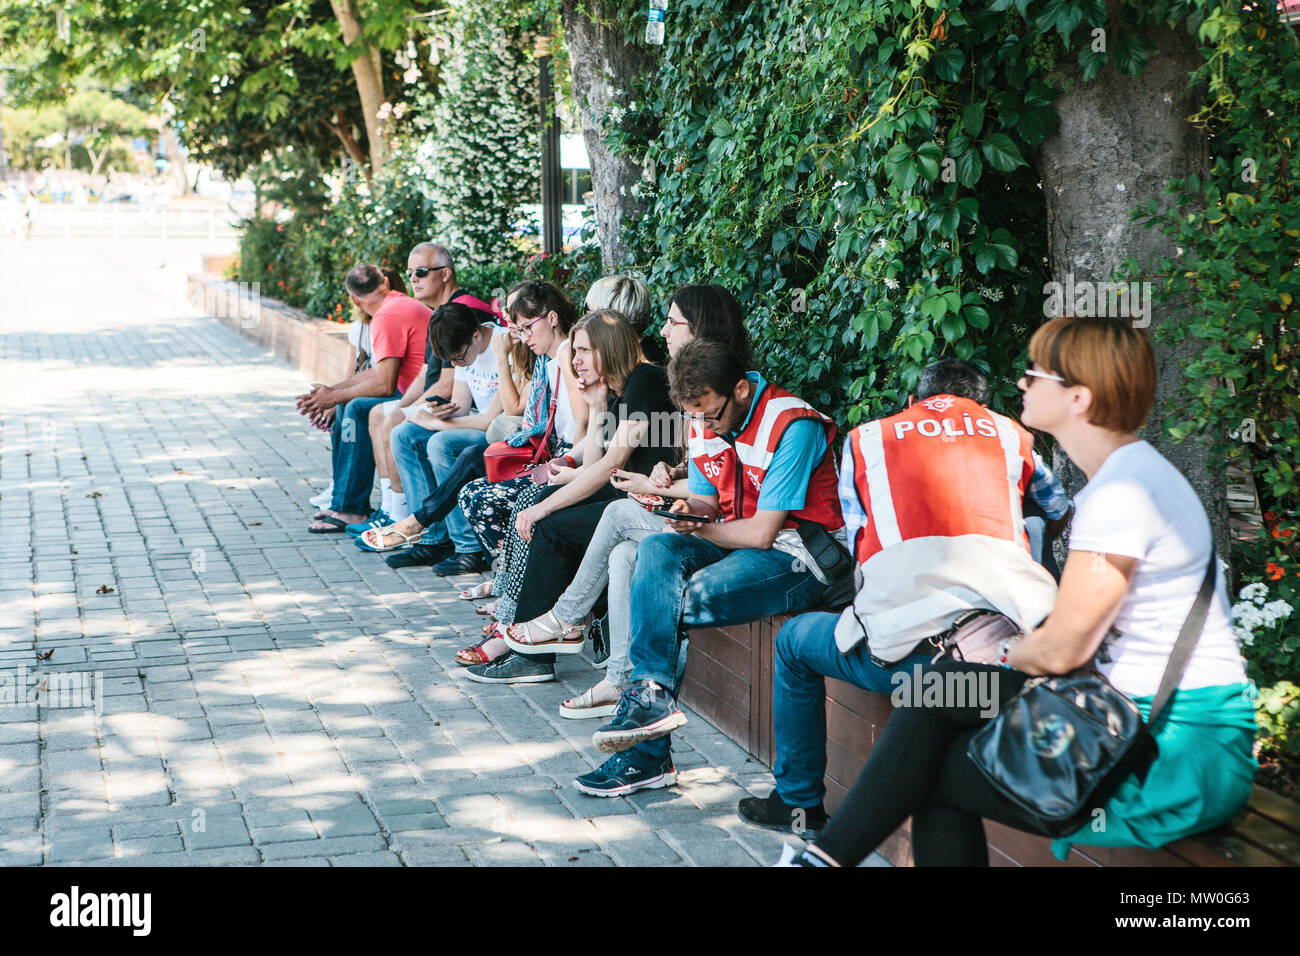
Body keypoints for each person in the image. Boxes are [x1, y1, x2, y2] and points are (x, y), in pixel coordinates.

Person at [780, 316, 1256, 867]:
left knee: (933, 735)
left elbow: (1060, 651)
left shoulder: (1122, 494)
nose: (1023, 383)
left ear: (1078, 397)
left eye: (1037, 374)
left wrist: (1004, 649)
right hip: (1128, 715)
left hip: (1169, 746)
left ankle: (823, 858)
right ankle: (825, 858)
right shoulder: (1129, 476)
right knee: (937, 699)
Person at [736, 358, 1068, 837]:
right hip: (1002, 668)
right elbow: (1055, 511)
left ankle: (799, 805)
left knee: (792, 642)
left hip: (902, 660)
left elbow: (858, 543)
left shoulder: (867, 439)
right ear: (984, 408)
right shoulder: (1010, 435)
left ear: (911, 403)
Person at [577, 339, 845, 796]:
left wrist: (698, 530)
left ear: (741, 389)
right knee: (657, 551)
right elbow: (707, 500)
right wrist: (687, 510)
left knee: (669, 601)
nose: (700, 424)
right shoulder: (702, 414)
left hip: (800, 558)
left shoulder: (793, 425)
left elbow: (763, 533)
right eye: (692, 415)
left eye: (708, 413)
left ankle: (647, 752)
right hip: (736, 542)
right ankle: (651, 701)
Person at [507, 283, 753, 719]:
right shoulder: (671, 384)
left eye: (673, 321)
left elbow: (714, 484)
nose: (663, 329)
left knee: (581, 515)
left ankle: (564, 620)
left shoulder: (664, 382)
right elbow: (699, 467)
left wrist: (662, 485)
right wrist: (670, 475)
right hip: (682, 507)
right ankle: (618, 680)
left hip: (718, 523)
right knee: (622, 554)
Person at [462, 309, 680, 685]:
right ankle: (521, 632)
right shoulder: (620, 389)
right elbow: (601, 466)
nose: (574, 361)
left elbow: (610, 465)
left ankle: (535, 653)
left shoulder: (646, 380)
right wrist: (597, 406)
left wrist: (545, 507)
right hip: (620, 500)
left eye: (583, 351)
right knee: (535, 508)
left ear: (608, 349)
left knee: (549, 523)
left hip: (641, 507)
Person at [450, 282, 584, 577]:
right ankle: (511, 576)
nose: (524, 338)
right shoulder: (546, 361)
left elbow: (582, 425)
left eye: (527, 328)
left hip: (571, 458)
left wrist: (565, 462)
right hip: (555, 454)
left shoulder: (565, 354)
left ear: (551, 318)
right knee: (470, 493)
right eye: (519, 330)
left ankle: (514, 580)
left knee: (484, 498)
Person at [362, 244, 496, 539]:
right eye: (409, 273)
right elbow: (427, 373)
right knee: (385, 419)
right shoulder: (440, 315)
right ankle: (403, 518)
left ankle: (442, 535)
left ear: (445, 273)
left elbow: (448, 384)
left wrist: (408, 413)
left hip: (477, 416)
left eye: (421, 272)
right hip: (457, 410)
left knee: (401, 425)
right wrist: (405, 408)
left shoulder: (465, 313)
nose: (413, 279)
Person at [298, 265, 429, 532]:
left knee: (356, 408)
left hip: (423, 395)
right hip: (412, 390)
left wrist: (333, 396)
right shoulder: (395, 305)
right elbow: (378, 372)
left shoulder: (387, 315)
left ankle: (351, 508)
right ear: (385, 281)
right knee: (345, 404)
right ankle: (344, 502)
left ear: (354, 300)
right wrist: (332, 394)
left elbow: (383, 384)